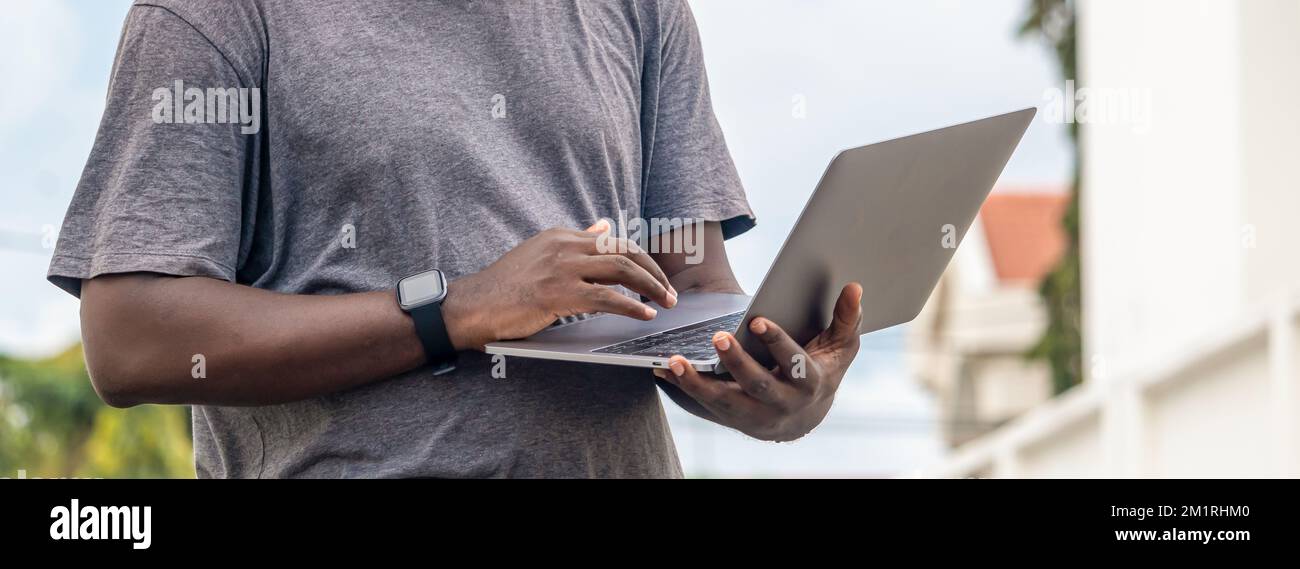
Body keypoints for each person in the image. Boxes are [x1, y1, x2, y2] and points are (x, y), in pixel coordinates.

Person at [48, 0, 862, 478]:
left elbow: (691, 292)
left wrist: (776, 394)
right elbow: (129, 339)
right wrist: (456, 309)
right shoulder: (213, 17)